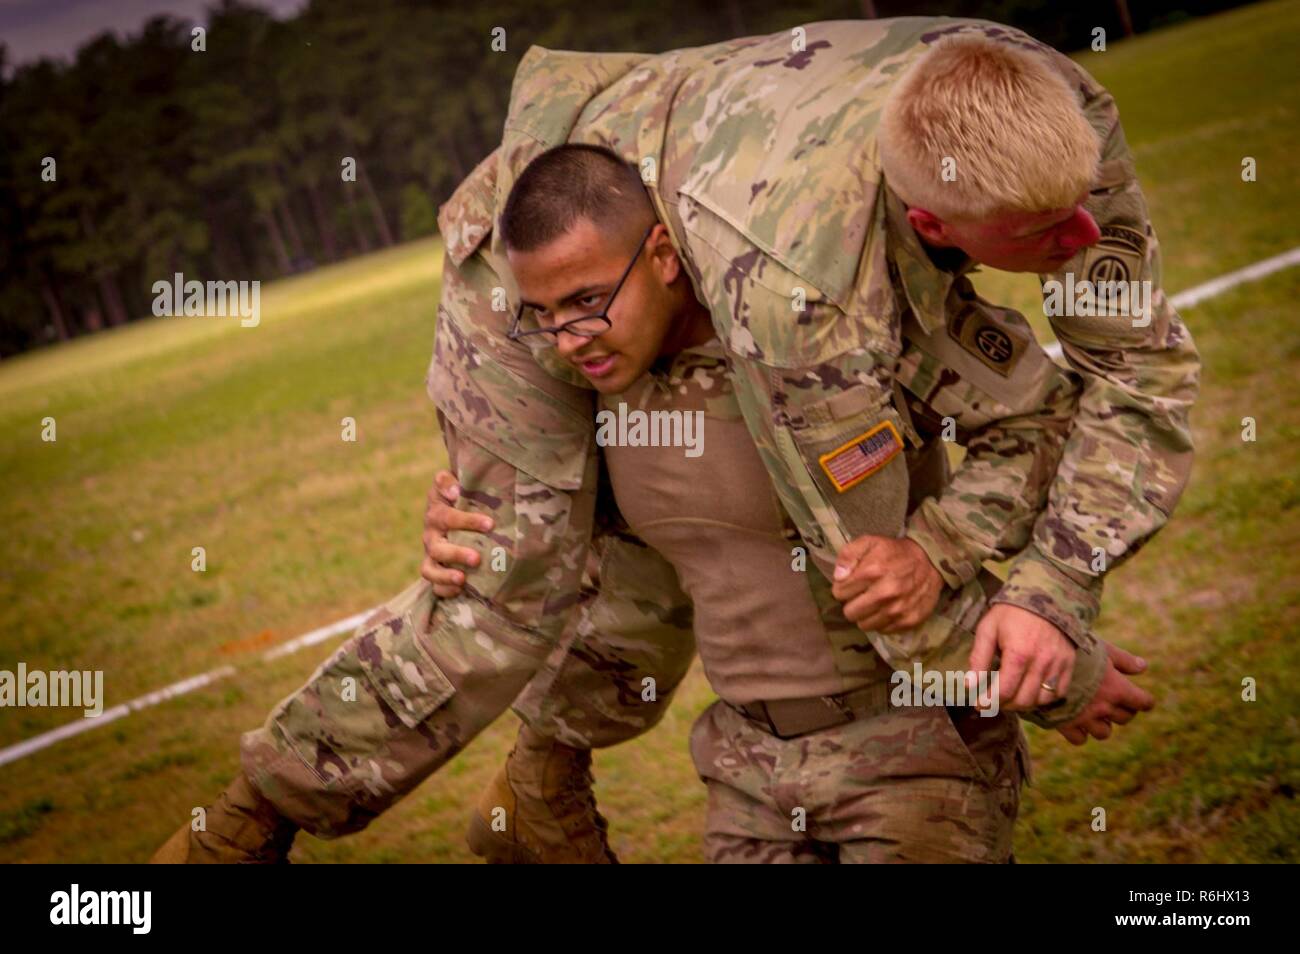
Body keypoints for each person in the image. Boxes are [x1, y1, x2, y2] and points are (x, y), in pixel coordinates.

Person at [151, 19, 1194, 864]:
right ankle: (249, 820)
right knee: (506, 577)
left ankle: (534, 783)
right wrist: (1052, 675)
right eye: (1040, 237)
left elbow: (1136, 374)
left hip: (689, 219)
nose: (1081, 244)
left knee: (690, 494)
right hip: (550, 227)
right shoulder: (797, 294)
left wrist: (1051, 593)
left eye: (1074, 213)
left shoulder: (1066, 122)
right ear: (928, 226)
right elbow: (866, 565)